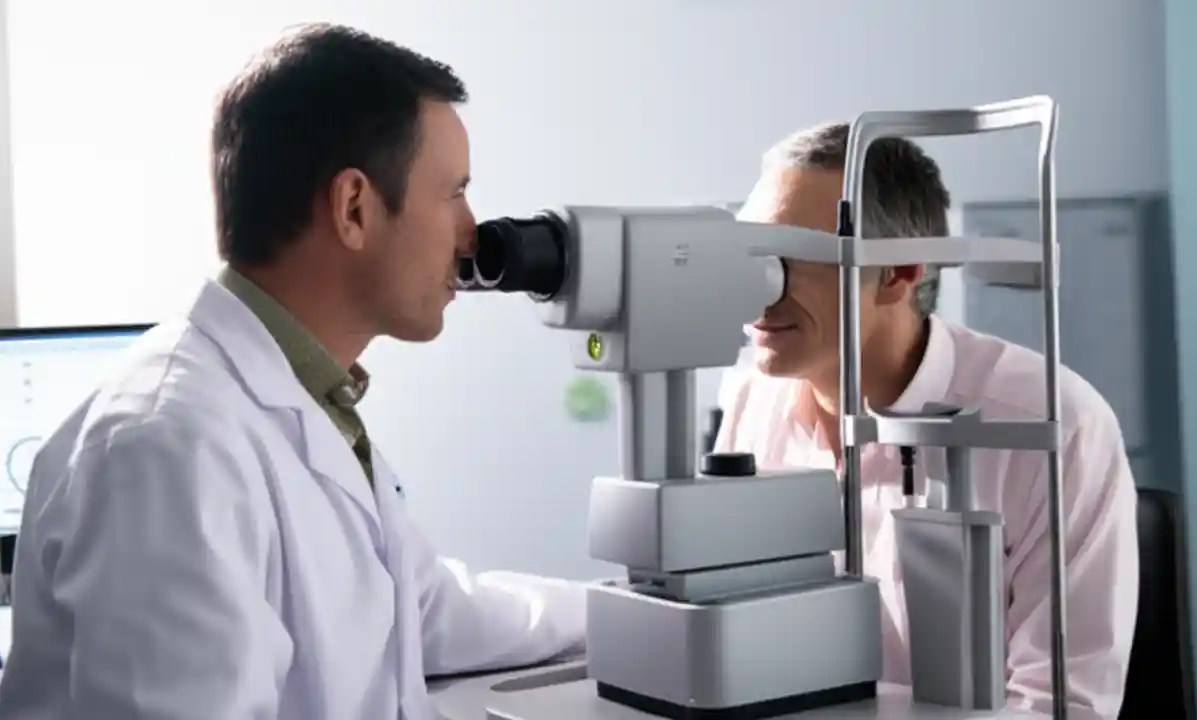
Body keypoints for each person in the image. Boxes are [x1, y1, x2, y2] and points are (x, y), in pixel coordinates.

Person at [0, 24, 585, 719]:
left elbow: (422, 612)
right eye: (454, 192)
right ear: (354, 207)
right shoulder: (169, 448)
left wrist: (623, 610)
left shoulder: (306, 399)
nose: (473, 233)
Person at [715, 124, 1139, 719]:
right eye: (752, 255)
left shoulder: (1056, 426)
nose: (759, 287)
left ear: (899, 271)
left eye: (793, 256)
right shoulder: (751, 399)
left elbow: (1059, 706)